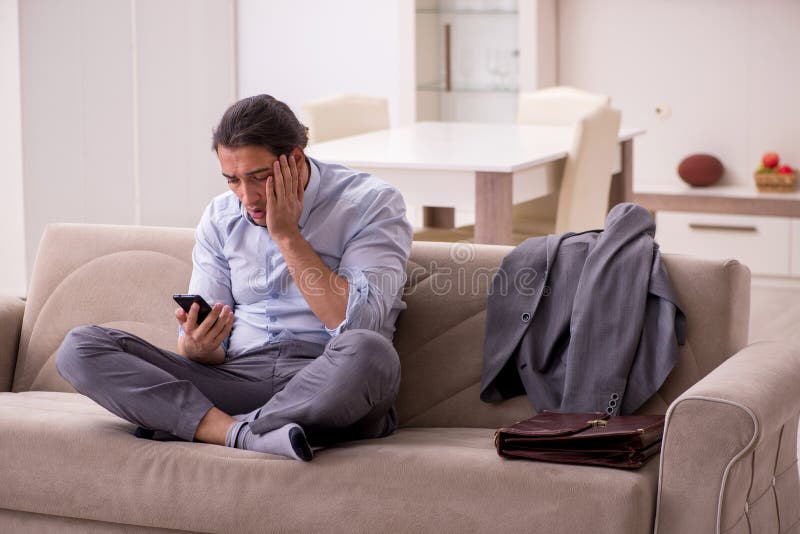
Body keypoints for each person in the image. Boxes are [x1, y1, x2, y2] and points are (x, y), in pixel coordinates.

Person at [56, 94, 413, 461]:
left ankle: (201, 425)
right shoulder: (220, 216)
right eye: (233, 181)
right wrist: (199, 345)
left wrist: (287, 235)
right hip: (239, 377)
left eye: (259, 178)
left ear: (296, 159)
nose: (247, 196)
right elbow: (201, 349)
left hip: (328, 378)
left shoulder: (372, 203)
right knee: (80, 347)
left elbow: (356, 323)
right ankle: (243, 433)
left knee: (371, 353)